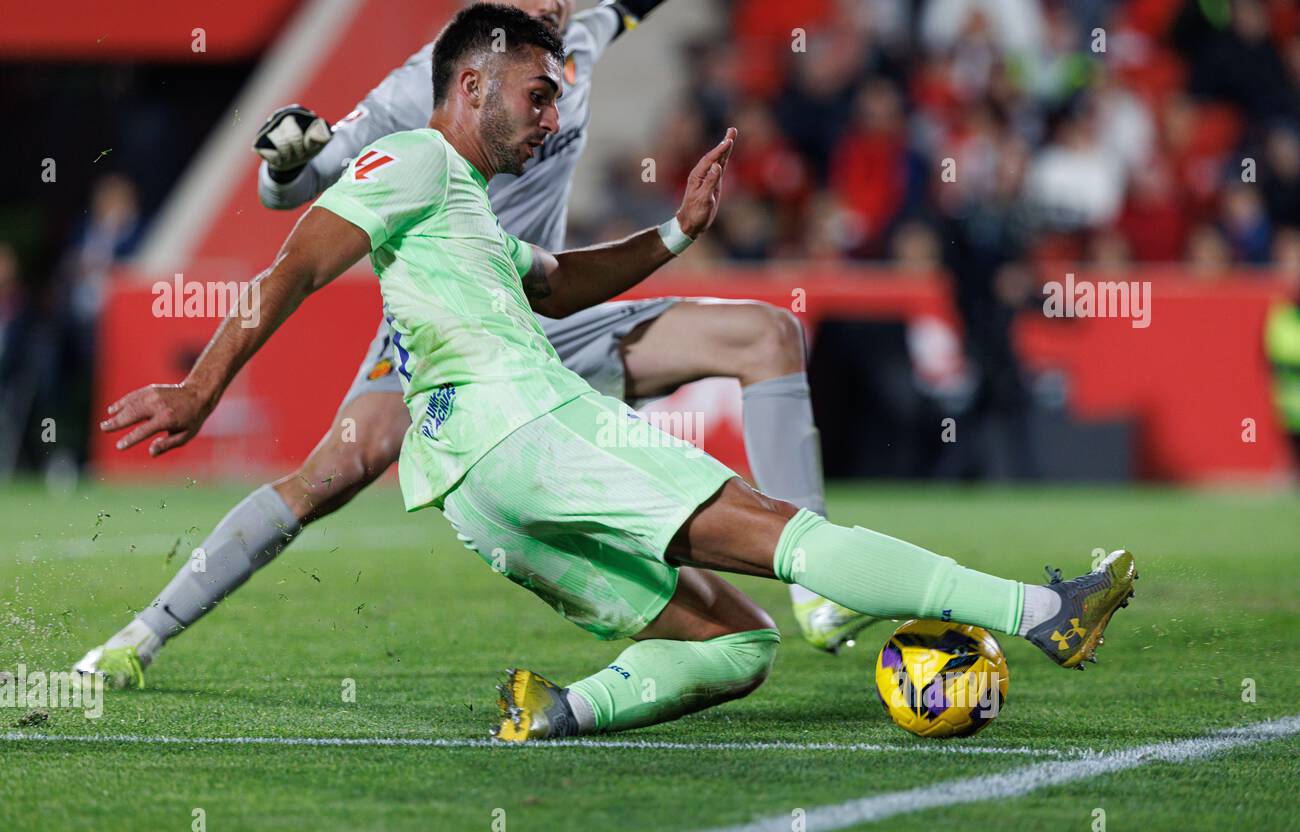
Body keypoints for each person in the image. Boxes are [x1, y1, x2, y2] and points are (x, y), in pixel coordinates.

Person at [97, 5, 1136, 739]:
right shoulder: (410, 150)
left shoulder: (467, 199)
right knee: (787, 539)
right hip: (530, 424)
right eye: (536, 97)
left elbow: (551, 285)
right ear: (467, 84)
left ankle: (564, 710)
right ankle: (1045, 615)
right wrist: (201, 389)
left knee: (736, 646)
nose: (554, 118)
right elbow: (288, 263)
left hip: (477, 496)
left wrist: (677, 232)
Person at [75, 0, 869, 688]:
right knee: (330, 475)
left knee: (768, 333)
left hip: (551, 313)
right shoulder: (417, 86)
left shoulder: (576, 47)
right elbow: (297, 191)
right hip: (449, 334)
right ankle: (141, 634)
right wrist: (282, 167)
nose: (556, 5)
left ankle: (819, 583)